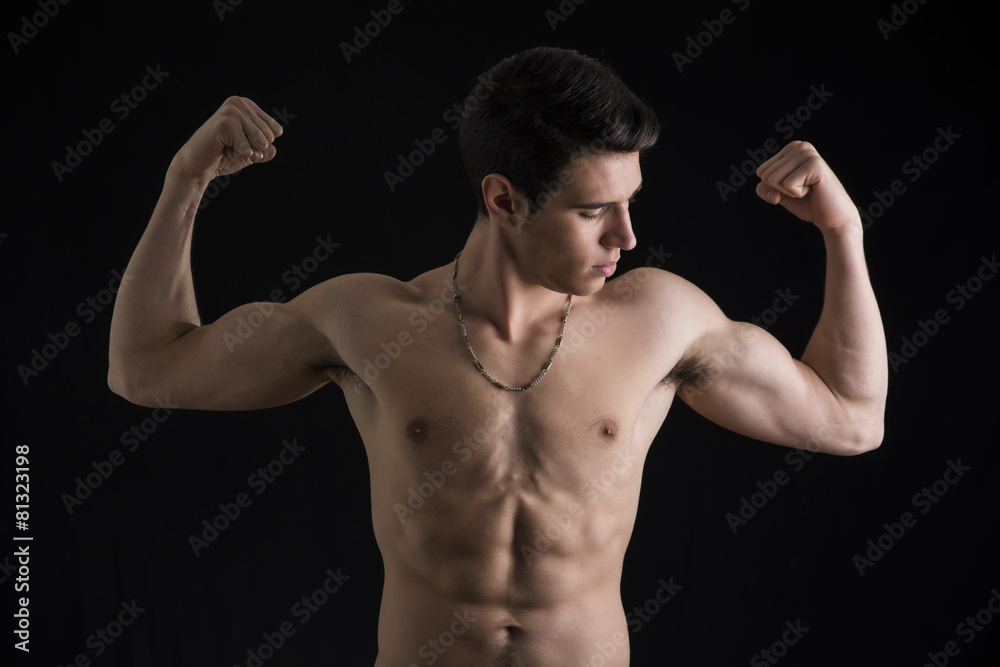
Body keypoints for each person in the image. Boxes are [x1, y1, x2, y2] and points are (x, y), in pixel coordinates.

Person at [108, 46, 887, 666]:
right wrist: (186, 181)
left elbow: (852, 419)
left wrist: (842, 232)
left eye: (630, 203)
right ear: (504, 199)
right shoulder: (368, 321)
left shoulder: (659, 320)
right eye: (594, 211)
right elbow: (146, 370)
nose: (626, 236)